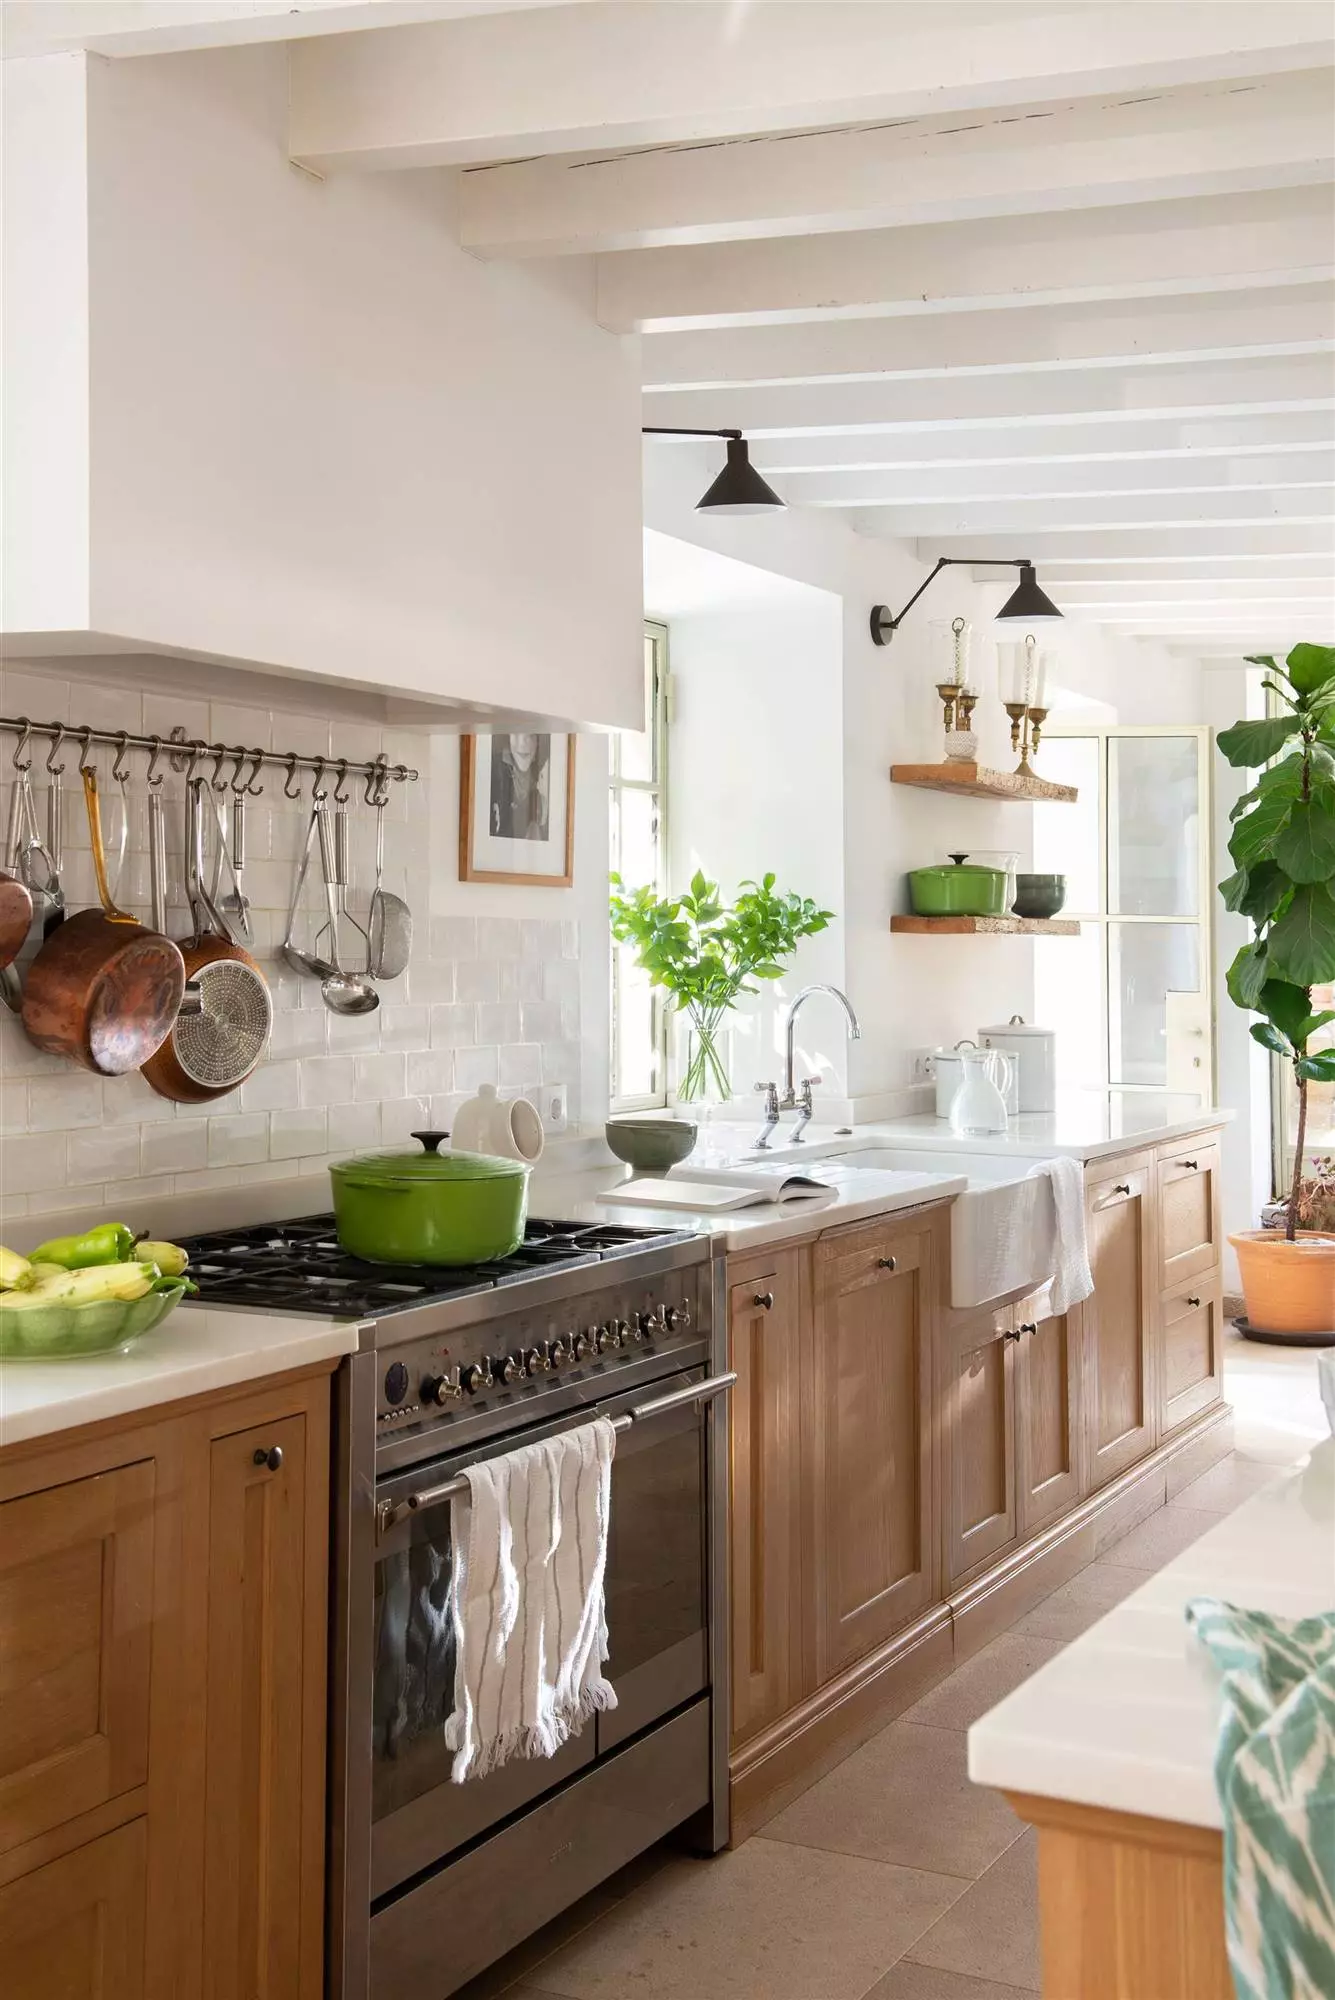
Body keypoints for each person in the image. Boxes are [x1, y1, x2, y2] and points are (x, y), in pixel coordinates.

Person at [489, 733, 550, 842]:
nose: (522, 742)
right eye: (516, 732)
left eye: (531, 733)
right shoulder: (492, 769)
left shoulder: (548, 773)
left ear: (538, 740)